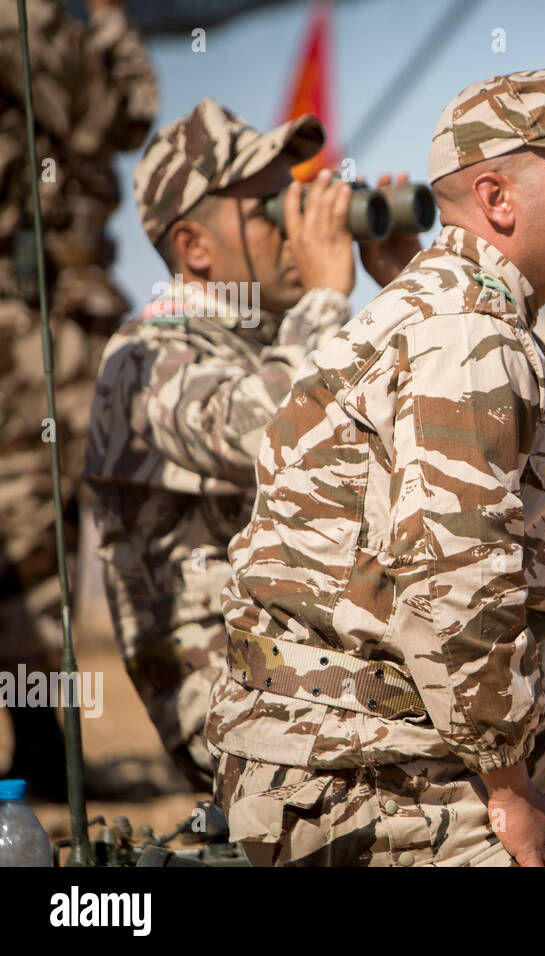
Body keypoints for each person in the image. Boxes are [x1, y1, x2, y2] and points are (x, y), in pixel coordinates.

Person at [207, 66, 545, 867]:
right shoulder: (468, 336)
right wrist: (509, 790)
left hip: (390, 731)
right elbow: (454, 588)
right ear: (498, 199)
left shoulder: (477, 317)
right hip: (348, 770)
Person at [81, 98, 419, 791]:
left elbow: (426, 454)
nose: (295, 226)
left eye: (295, 199)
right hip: (236, 700)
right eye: (269, 209)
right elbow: (272, 433)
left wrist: (404, 292)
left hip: (330, 661)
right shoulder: (146, 358)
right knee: (470, 712)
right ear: (195, 248)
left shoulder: (284, 341)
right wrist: (328, 297)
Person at [0, 0, 157, 800]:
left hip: (64, 301)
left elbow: (130, 111)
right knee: (29, 522)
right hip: (26, 315)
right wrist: (97, 24)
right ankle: (35, 743)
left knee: (51, 520)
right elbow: (100, 115)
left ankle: (40, 743)